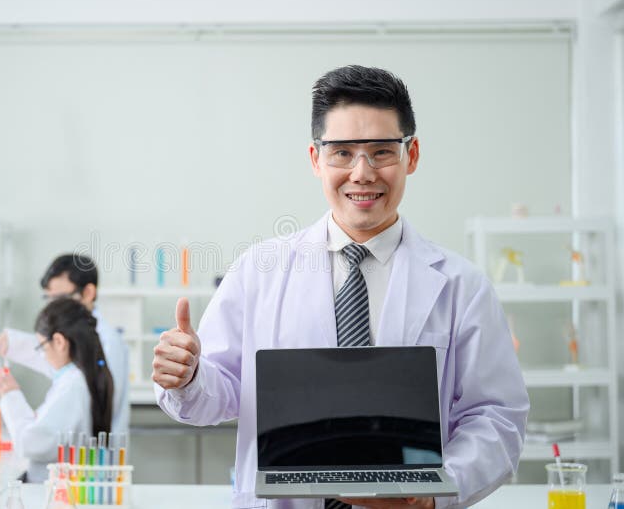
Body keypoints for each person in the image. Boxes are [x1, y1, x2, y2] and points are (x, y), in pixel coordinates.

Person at [152, 65, 529, 509]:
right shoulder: (259, 272)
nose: (363, 173)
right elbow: (217, 395)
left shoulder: (462, 288)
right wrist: (188, 377)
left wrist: (433, 494)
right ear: (316, 159)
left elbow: (497, 418)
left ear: (412, 155)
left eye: (382, 152)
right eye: (343, 153)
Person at [0, 254, 130, 435]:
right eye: (48, 298)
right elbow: (58, 362)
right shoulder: (75, 338)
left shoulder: (107, 342)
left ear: (88, 293)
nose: (52, 307)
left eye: (59, 298)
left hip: (94, 453)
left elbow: (93, 397)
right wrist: (12, 343)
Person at [0, 297, 113, 483]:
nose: (42, 355)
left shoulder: (73, 386)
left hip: (54, 491)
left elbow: (30, 444)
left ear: (59, 342)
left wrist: (11, 395)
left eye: (42, 346)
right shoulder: (82, 376)